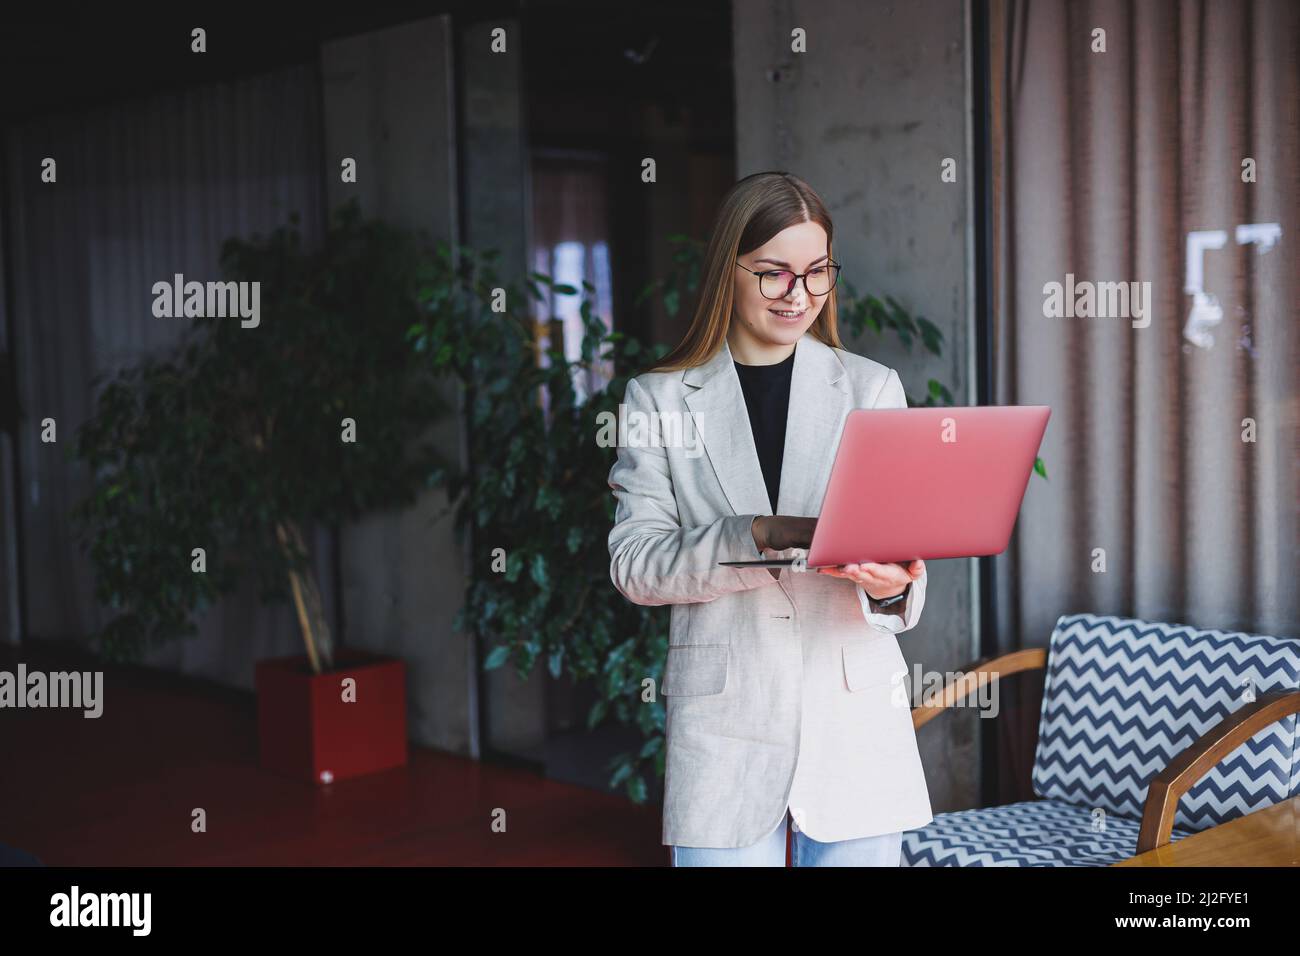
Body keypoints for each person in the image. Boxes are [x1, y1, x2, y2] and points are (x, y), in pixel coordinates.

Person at [606, 171, 931, 866]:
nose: (799, 295)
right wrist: (755, 534)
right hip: (726, 726)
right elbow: (635, 564)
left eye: (817, 273)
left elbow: (905, 572)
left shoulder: (872, 388)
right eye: (774, 273)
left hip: (855, 725)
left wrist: (889, 587)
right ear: (730, 268)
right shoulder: (658, 399)